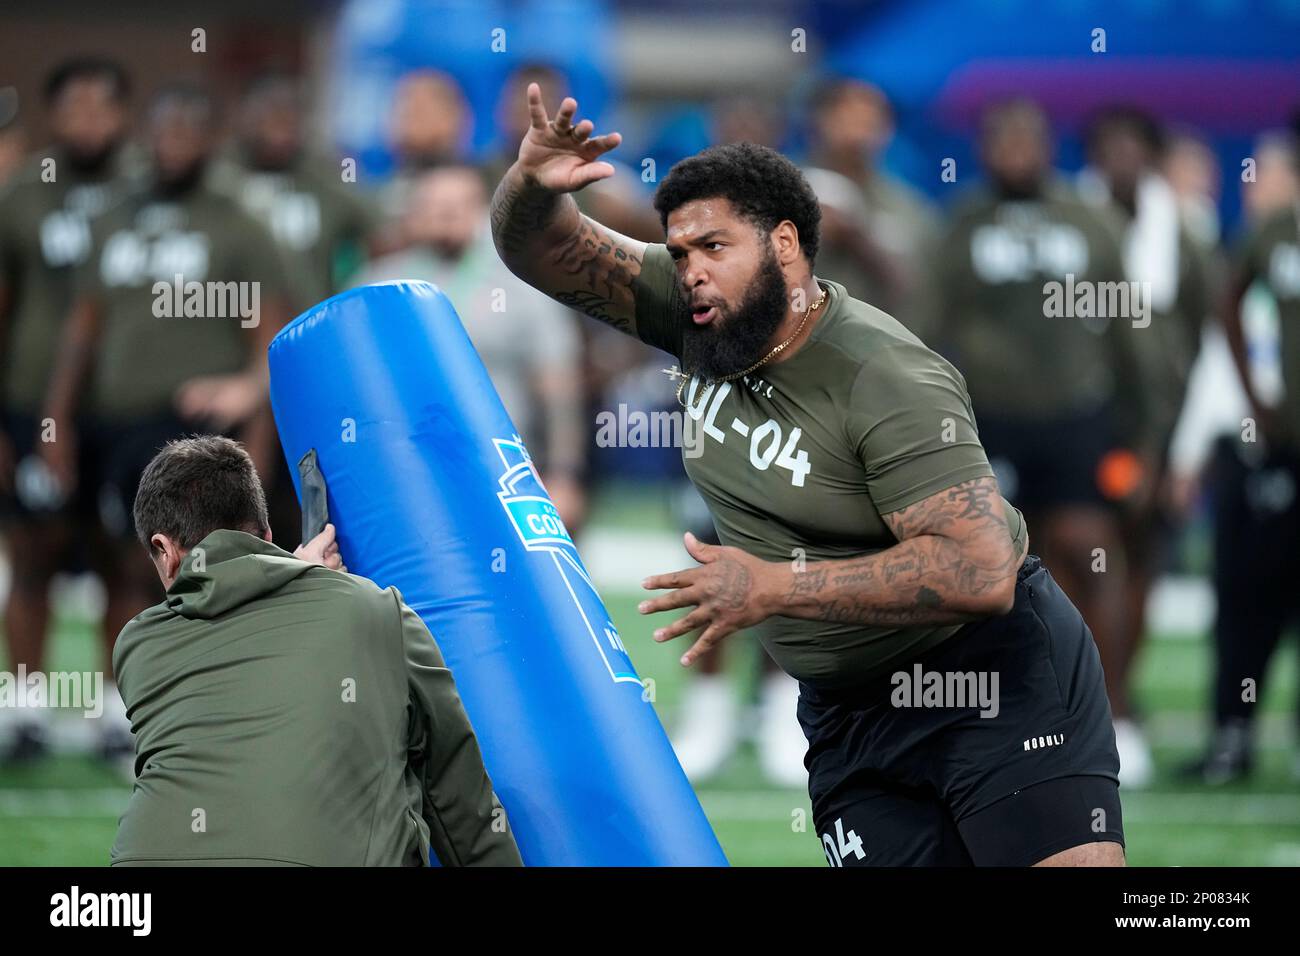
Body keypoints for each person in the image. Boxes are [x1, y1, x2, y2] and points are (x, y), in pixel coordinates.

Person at [490, 84, 1125, 866]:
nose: (689, 271)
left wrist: (772, 588)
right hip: (848, 713)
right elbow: (540, 249)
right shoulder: (695, 314)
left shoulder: (886, 375)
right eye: (680, 251)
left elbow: (982, 568)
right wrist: (530, 184)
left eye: (714, 248)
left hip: (990, 677)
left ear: (785, 245)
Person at [111, 435, 521, 866]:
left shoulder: (138, 646)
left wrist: (296, 574)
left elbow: (240, 629)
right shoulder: (375, 614)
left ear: (164, 549)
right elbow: (459, 802)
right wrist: (303, 577)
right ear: (266, 535)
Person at [39, 83, 292, 761]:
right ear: (146, 136)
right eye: (162, 131)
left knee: (201, 571)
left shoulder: (241, 221)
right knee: (116, 563)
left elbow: (269, 336)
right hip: (110, 423)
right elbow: (81, 329)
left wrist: (250, 408)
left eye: (187, 132)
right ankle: (123, 712)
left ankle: (209, 708)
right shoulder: (115, 215)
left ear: (208, 140)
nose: (171, 143)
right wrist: (55, 418)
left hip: (193, 431)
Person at [0, 57, 132, 762]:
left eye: (100, 106)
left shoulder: (149, 191)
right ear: (54, 116)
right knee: (31, 555)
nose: (87, 121)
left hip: (120, 409)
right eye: (73, 108)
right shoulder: (23, 194)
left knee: (127, 559)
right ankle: (25, 710)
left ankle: (117, 712)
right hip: (28, 403)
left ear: (124, 114)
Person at [1078, 106, 1211, 788]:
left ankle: (1121, 703)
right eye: (1109, 145)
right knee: (1076, 569)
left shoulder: (1183, 234)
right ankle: (1091, 709)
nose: (1122, 158)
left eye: (1134, 145)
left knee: (1141, 567)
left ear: (1154, 155)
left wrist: (1178, 450)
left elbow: (1205, 341)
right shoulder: (1071, 224)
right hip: (1081, 424)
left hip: (1158, 427)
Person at [355, 164, 587, 532]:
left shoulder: (523, 283)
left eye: (459, 206)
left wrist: (564, 474)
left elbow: (559, 387)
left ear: (485, 213)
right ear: (411, 216)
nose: (446, 218)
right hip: (406, 476)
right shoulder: (374, 286)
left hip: (506, 475)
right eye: (434, 207)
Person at [1192, 133, 1300, 784]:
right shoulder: (1277, 232)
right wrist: (1259, 400)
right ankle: (1233, 737)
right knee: (1249, 597)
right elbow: (1229, 302)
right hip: (1280, 449)